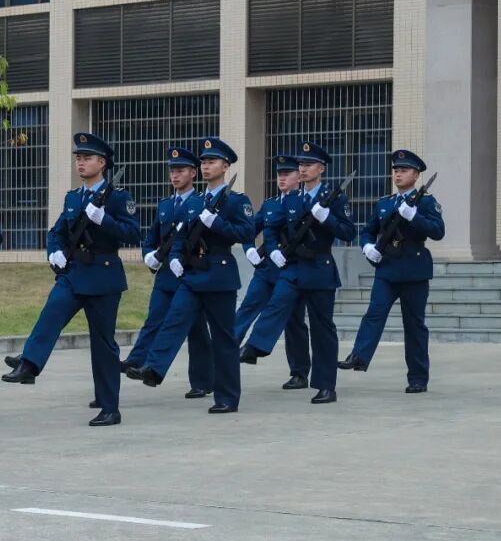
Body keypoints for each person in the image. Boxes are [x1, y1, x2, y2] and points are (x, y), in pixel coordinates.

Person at [1, 133, 140, 427]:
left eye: (87, 158)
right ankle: (29, 365)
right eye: (78, 158)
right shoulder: (73, 197)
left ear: (102, 163)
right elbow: (57, 232)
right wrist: (54, 252)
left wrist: (105, 220)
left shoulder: (118, 197)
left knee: (103, 344)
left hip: (103, 276)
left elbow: (132, 233)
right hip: (74, 273)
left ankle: (109, 407)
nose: (81, 162)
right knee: (52, 312)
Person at [127, 138, 254, 414]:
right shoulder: (195, 202)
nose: (206, 166)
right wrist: (173, 258)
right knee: (173, 321)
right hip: (192, 275)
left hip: (219, 277)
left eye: (212, 162)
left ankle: (227, 398)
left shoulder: (235, 200)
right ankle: (154, 369)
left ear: (225, 166)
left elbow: (246, 233)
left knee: (223, 340)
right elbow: (180, 236)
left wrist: (216, 223)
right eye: (204, 162)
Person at [241, 141, 356, 405]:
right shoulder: (291, 198)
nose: (302, 169)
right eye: (301, 165)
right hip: (292, 267)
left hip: (320, 269)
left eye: (308, 164)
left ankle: (326, 386)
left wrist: (327, 217)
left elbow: (349, 232)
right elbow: (271, 226)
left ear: (322, 168)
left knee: (322, 329)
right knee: (277, 303)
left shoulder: (334, 198)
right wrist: (272, 250)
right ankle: (255, 346)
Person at [339, 149, 445, 393]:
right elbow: (367, 230)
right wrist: (367, 247)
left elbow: (438, 231)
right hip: (386, 269)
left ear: (416, 175)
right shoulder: (385, 203)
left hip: (414, 272)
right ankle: (359, 356)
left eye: (404, 170)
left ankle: (418, 378)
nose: (398, 174)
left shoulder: (426, 202)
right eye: (396, 170)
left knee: (414, 326)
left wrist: (415, 216)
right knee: (374, 314)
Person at [124, 146, 215, 400]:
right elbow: (151, 237)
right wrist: (148, 255)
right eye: (172, 171)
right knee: (154, 319)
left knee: (196, 331)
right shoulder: (165, 205)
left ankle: (202, 381)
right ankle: (137, 361)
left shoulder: (202, 204)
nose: (175, 175)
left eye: (181, 170)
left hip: (189, 275)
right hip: (165, 275)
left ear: (193, 173)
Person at [235, 155, 312, 390]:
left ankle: (299, 372)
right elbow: (249, 230)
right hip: (267, 270)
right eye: (279, 174)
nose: (282, 178)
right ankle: (226, 354)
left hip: (291, 270)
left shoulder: (305, 203)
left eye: (287, 174)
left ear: (298, 177)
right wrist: (249, 250)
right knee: (246, 309)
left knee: (294, 322)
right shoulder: (270, 204)